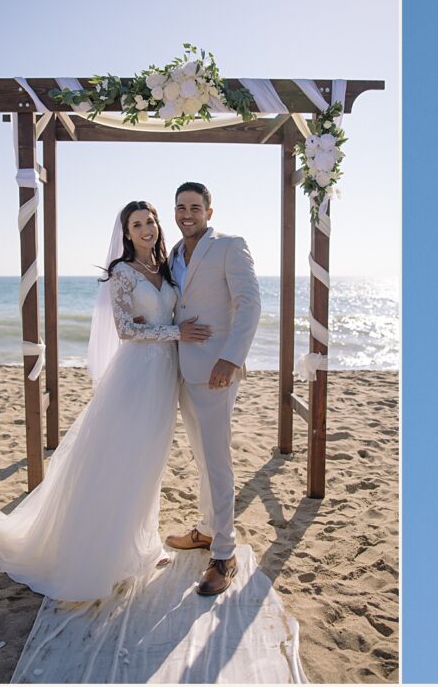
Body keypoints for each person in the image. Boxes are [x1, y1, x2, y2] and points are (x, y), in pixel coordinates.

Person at [0, 201, 212, 602]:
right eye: (137, 224)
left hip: (165, 377)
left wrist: (177, 332)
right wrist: (175, 332)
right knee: (122, 459)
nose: (146, 229)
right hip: (136, 377)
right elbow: (127, 330)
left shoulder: (165, 268)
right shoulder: (121, 273)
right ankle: (107, 553)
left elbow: (173, 313)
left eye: (150, 221)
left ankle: (141, 543)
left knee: (150, 460)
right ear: (126, 233)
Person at [161, 181, 261, 596]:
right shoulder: (173, 253)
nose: (188, 214)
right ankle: (205, 529)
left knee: (218, 462)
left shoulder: (229, 245)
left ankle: (224, 554)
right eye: (181, 207)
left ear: (209, 211)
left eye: (195, 207)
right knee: (201, 457)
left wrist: (231, 358)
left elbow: (250, 303)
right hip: (183, 368)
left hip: (217, 371)